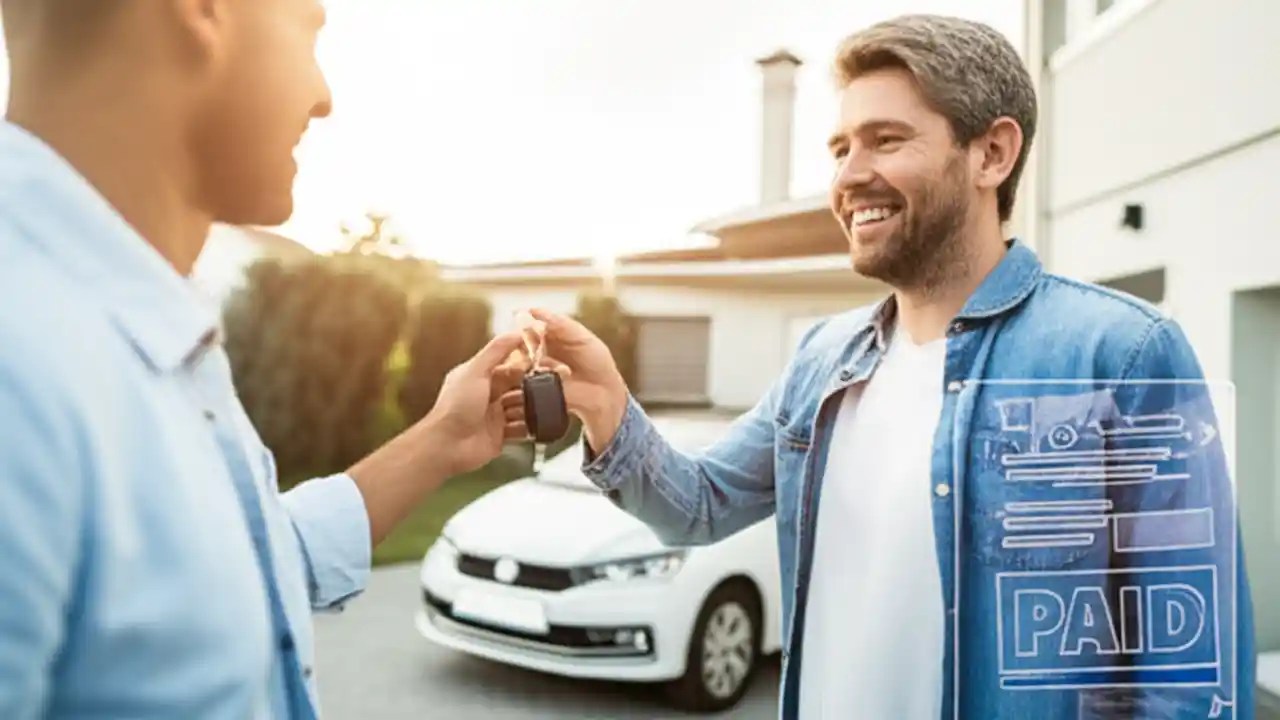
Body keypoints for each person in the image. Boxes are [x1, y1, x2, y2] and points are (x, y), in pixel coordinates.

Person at [510, 13, 1256, 720]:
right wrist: (606, 405)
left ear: (991, 154)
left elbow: (1188, 670)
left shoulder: (1122, 356)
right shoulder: (820, 359)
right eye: (840, 149)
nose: (849, 176)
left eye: (886, 140)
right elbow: (699, 506)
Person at [0, 1, 534, 718]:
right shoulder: (24, 360)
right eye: (307, 28)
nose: (323, 96)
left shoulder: (127, 323)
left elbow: (246, 566)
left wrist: (442, 441)